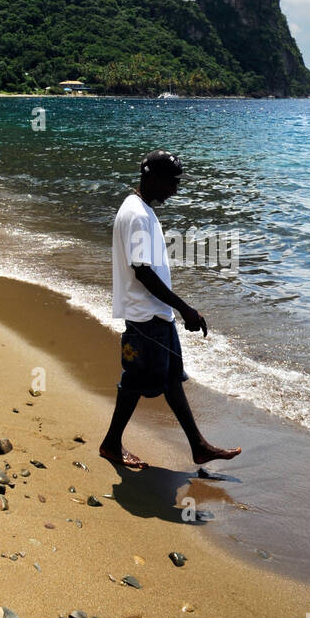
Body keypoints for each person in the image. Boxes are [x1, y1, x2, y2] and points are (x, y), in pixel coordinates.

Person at [100, 149, 241, 470]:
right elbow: (142, 269)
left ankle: (199, 446)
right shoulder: (136, 214)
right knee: (136, 381)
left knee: (171, 378)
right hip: (145, 317)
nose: (175, 190)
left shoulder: (140, 209)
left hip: (154, 315)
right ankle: (111, 444)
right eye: (171, 183)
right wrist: (185, 309)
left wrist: (175, 310)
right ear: (151, 178)